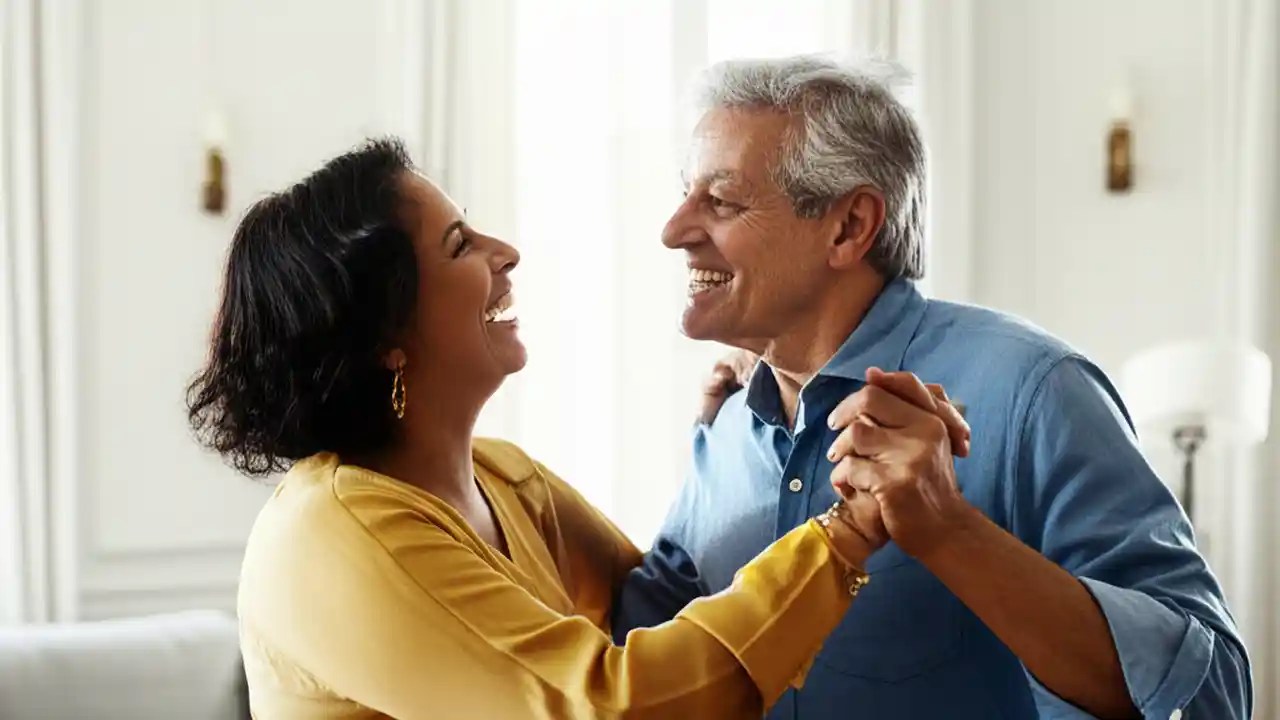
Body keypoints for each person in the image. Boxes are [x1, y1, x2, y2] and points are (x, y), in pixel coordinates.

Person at [186, 138, 968, 719]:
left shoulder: (503, 478)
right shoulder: (338, 529)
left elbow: (650, 609)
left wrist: (718, 444)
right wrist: (848, 530)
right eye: (461, 244)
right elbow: (621, 706)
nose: (506, 253)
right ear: (386, 331)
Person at [613, 56, 1252, 719]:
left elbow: (1212, 694)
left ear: (849, 227)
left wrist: (950, 533)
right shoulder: (726, 426)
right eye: (687, 194)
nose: (673, 231)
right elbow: (631, 659)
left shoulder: (1034, 390)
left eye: (719, 201)